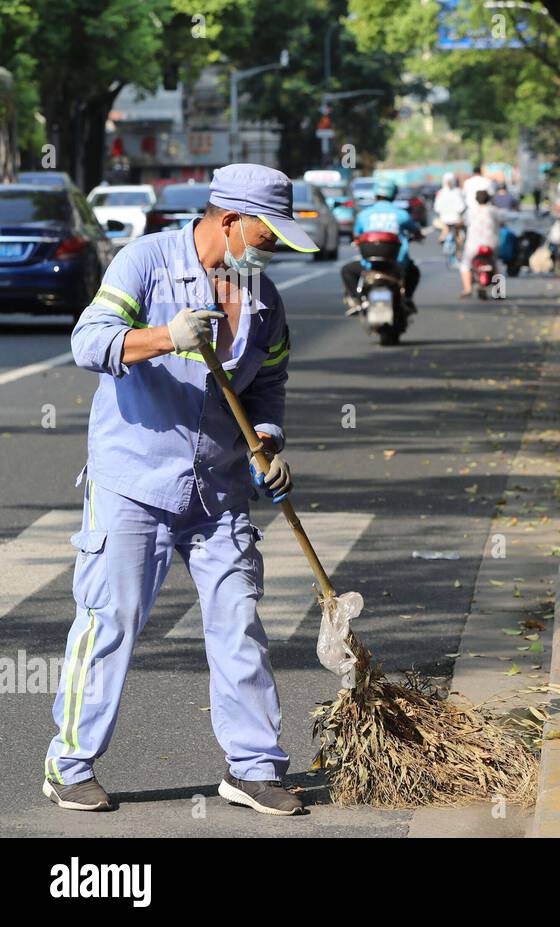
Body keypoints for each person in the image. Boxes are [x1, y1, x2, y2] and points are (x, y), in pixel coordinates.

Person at [44, 163, 316, 816]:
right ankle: (69, 762)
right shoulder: (145, 262)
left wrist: (269, 444)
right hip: (132, 482)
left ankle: (252, 767)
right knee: (111, 621)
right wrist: (167, 336)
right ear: (229, 221)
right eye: (267, 235)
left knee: (239, 622)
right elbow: (89, 341)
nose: (272, 249)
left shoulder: (264, 301)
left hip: (218, 489)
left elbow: (266, 386)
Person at [341, 177, 422, 315]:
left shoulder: (364, 215)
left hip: (369, 264)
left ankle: (355, 301)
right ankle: (407, 299)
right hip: (397, 264)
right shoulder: (402, 214)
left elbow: (356, 235)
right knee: (414, 272)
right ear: (394, 194)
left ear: (375, 194)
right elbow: (415, 231)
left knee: (347, 270)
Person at [459, 188, 502, 297]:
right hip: (491, 244)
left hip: (473, 245)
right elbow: (506, 219)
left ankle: (467, 289)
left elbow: (461, 222)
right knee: (495, 263)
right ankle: (499, 291)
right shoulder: (494, 210)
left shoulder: (470, 211)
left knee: (465, 264)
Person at [433, 172, 467, 251]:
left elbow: (436, 208)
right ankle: (459, 251)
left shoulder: (441, 193)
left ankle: (442, 238)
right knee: (459, 237)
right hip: (456, 220)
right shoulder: (458, 192)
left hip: (443, 220)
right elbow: (462, 207)